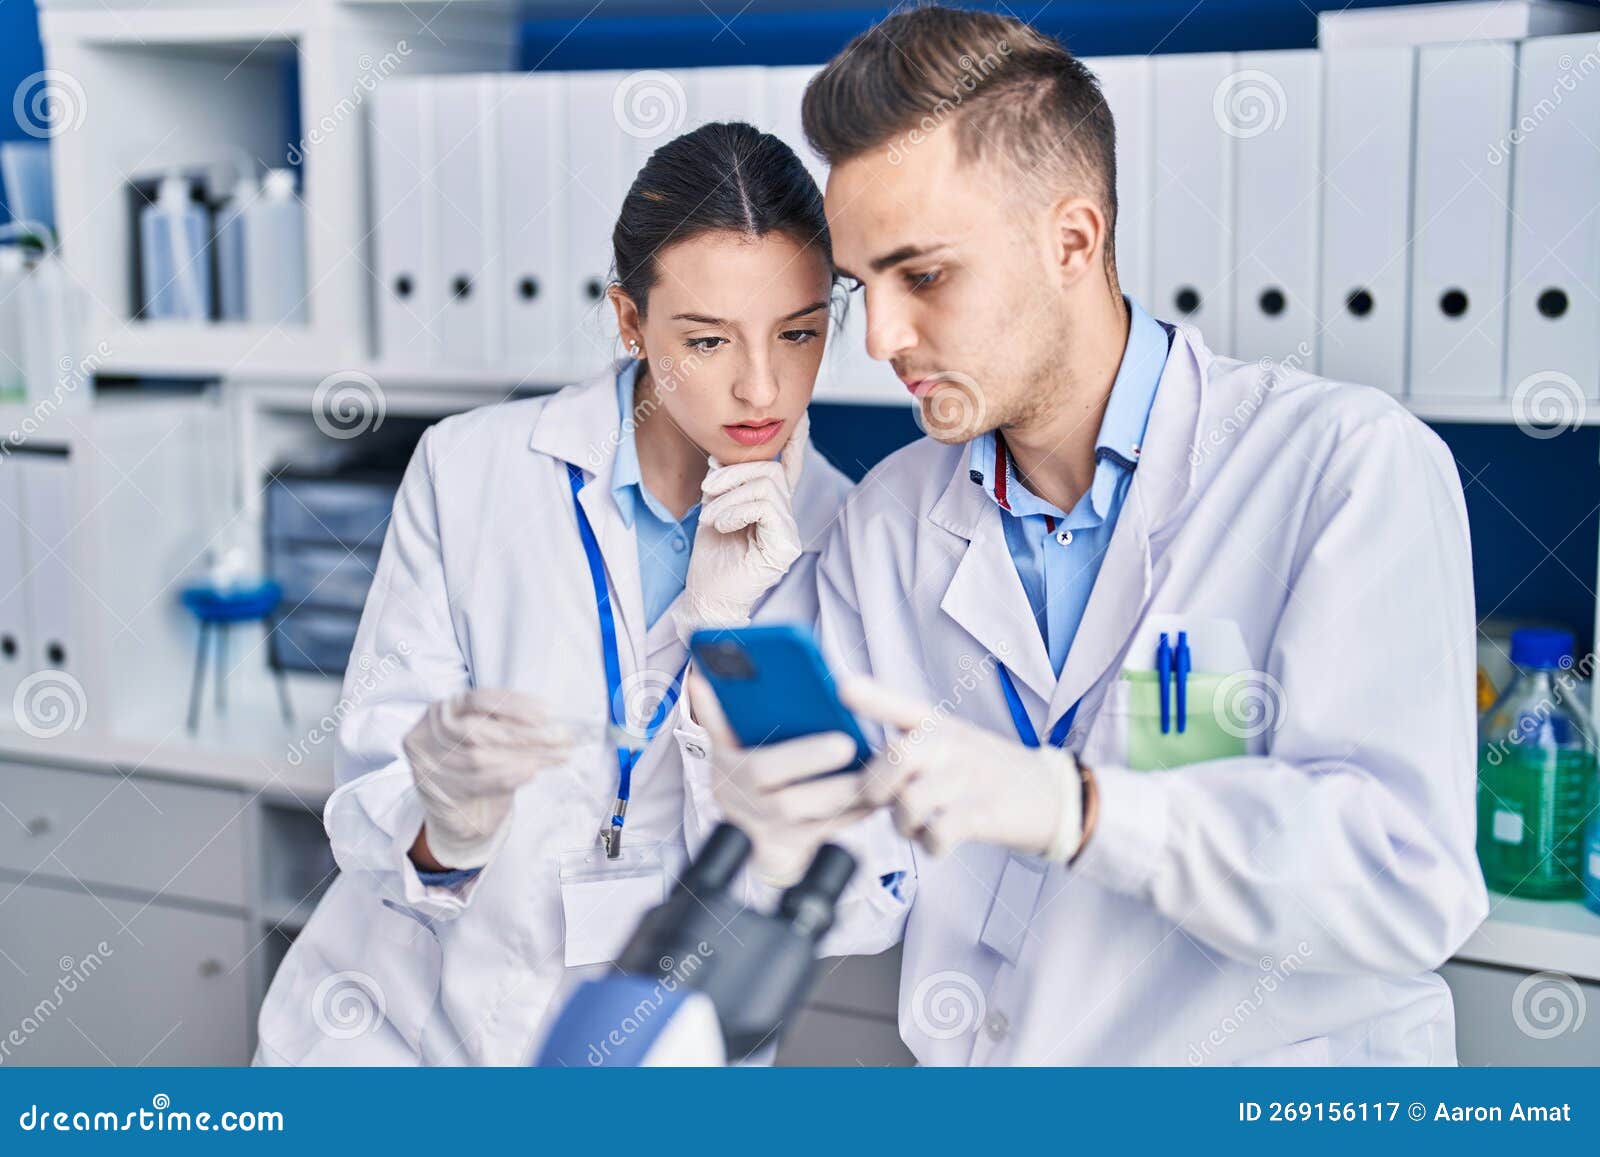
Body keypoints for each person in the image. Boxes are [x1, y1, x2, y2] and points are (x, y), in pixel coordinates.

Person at [687, 6, 1488, 1065]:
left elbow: (1400, 880)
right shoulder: (891, 517)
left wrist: (1086, 808)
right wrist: (768, 808)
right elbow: (855, 889)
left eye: (922, 276)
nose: (879, 338)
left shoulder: (1342, 466)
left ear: (1073, 239)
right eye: (860, 288)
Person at [254, 122, 861, 1065]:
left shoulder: (853, 537)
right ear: (629, 320)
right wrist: (445, 825)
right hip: (398, 1040)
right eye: (706, 339)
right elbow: (368, 804)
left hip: (654, 1062)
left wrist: (718, 637)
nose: (761, 385)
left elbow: (840, 889)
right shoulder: (472, 467)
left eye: (800, 332)